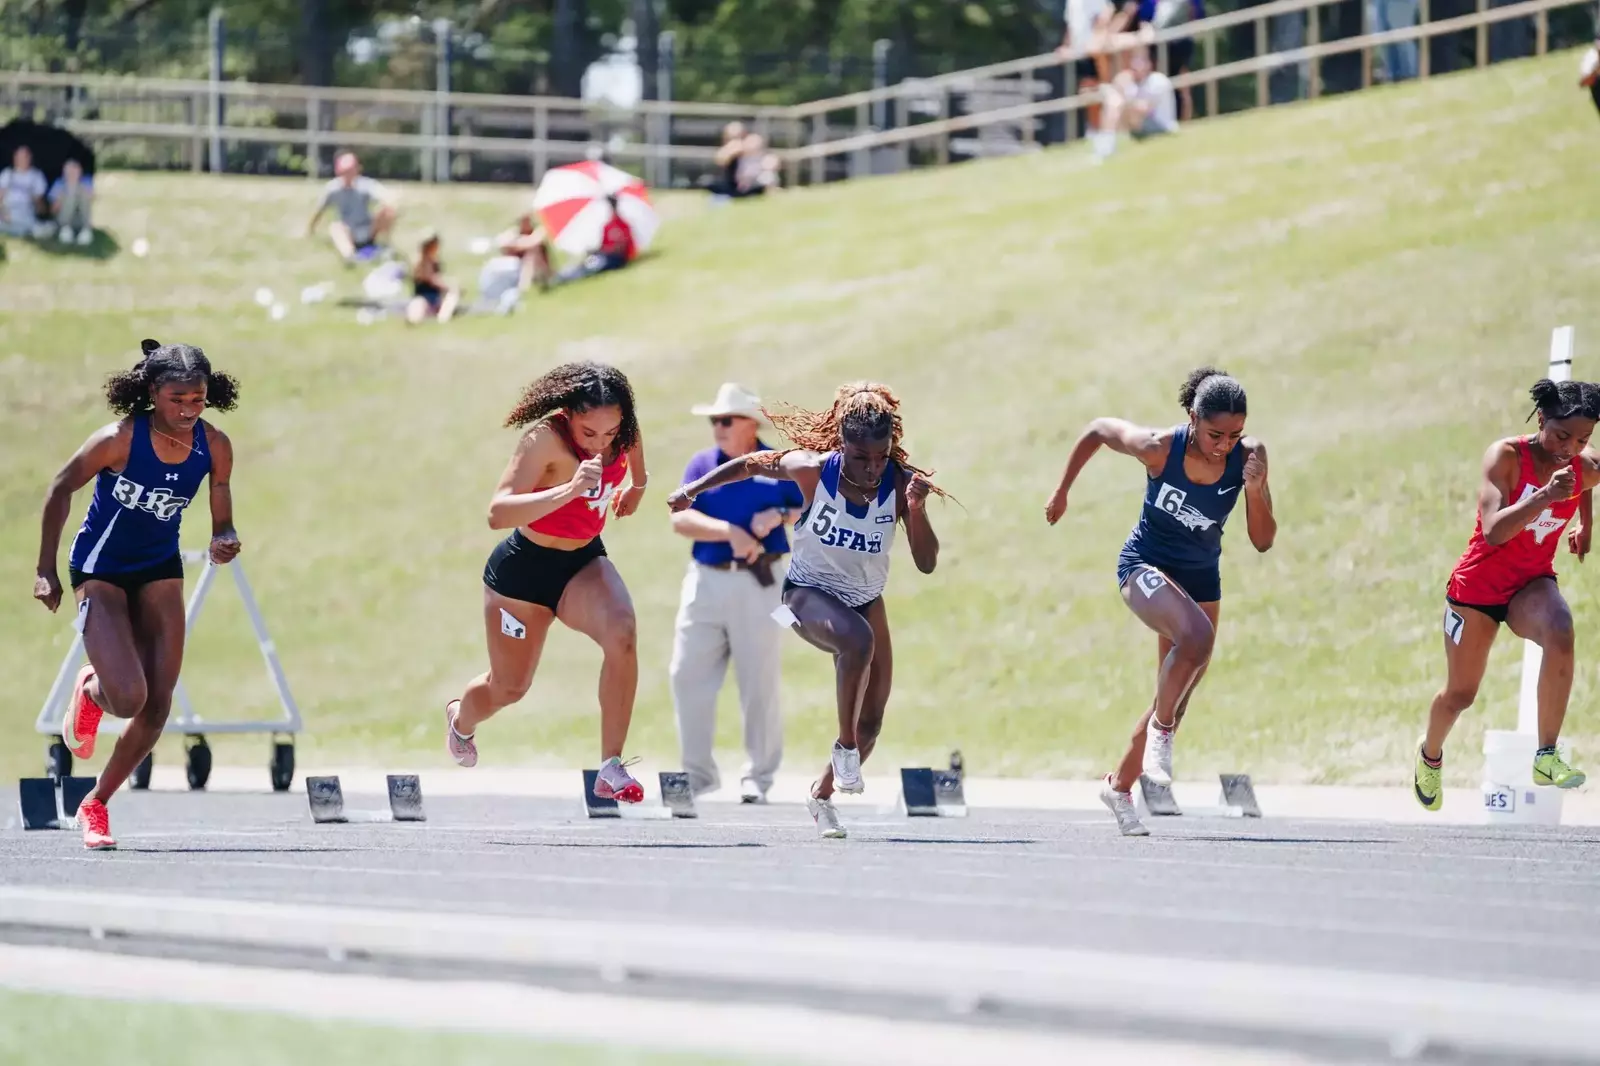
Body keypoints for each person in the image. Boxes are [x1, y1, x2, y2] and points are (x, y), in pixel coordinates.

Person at [668, 384, 943, 839]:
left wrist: (915, 509)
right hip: (803, 595)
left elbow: (927, 562)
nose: (872, 468)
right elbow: (749, 465)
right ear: (841, 445)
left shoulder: (898, 482)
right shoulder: (812, 469)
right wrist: (692, 490)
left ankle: (822, 794)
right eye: (860, 458)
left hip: (864, 598)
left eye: (880, 456)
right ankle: (846, 749)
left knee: (872, 720)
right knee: (859, 642)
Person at [1045, 367, 1275, 837]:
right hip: (1144, 567)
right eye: (1215, 434)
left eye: (1234, 434)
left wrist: (1254, 489)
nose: (1224, 445)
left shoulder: (1250, 457)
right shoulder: (1159, 448)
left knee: (1174, 693)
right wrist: (1062, 490)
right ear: (1192, 418)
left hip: (1201, 579)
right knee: (1195, 640)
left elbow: (1263, 539)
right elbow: (1098, 430)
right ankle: (1162, 735)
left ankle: (1118, 786)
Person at [32, 340, 242, 851]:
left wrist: (223, 534)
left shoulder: (214, 444)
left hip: (159, 567)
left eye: (198, 398)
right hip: (100, 568)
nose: (189, 410)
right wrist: (45, 570)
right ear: (153, 393)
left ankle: (96, 803)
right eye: (177, 399)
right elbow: (61, 488)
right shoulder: (119, 439)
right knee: (127, 697)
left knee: (158, 704)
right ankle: (91, 691)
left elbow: (219, 493)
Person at [446, 361, 649, 805]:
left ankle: (610, 767)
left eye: (609, 433)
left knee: (623, 634)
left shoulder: (622, 430)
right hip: (523, 571)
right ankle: (461, 719)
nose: (600, 443)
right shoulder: (544, 440)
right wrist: (569, 490)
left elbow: (633, 452)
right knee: (510, 687)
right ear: (567, 414)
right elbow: (498, 513)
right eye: (588, 433)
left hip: (582, 562)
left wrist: (639, 484)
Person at [1414, 380, 1600, 810]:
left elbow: (1586, 478)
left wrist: (1585, 525)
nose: (1568, 449)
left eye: (1582, 440)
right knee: (1460, 695)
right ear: (1540, 420)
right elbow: (1495, 531)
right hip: (1476, 589)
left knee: (1561, 629)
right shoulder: (1507, 457)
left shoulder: (1579, 463)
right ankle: (1430, 754)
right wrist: (1545, 497)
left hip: (1530, 582)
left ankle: (1546, 754)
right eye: (1560, 436)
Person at [669, 383, 806, 803]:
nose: (718, 427)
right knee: (685, 673)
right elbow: (681, 518)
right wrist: (730, 532)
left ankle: (758, 777)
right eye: (715, 420)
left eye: (726, 420)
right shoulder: (702, 464)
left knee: (758, 682)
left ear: (749, 425)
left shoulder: (779, 466)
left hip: (759, 583)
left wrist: (780, 513)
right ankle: (698, 774)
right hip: (706, 579)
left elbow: (812, 507)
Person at [307, 152, 397, 265]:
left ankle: (385, 246)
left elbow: (384, 196)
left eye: (351, 171)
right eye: (345, 172)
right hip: (348, 231)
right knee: (335, 227)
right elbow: (319, 210)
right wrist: (310, 230)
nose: (348, 175)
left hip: (368, 229)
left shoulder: (366, 185)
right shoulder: (332, 189)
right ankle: (350, 256)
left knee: (388, 211)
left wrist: (388, 202)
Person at [1093, 48, 1180, 161]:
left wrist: (1122, 95)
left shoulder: (1158, 81)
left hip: (1161, 127)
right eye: (1134, 59)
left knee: (1118, 103)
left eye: (1140, 60)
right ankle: (1106, 145)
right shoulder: (1134, 83)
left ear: (1149, 63)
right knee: (1112, 101)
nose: (1135, 64)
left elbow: (1144, 108)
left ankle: (1106, 145)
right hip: (1140, 128)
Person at [552, 197, 635, 287]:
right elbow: (604, 245)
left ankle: (563, 279)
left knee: (590, 267)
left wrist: (607, 250)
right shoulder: (607, 226)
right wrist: (596, 251)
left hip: (616, 258)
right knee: (585, 262)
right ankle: (561, 276)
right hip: (605, 255)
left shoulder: (623, 225)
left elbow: (622, 247)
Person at [406, 232, 460, 325]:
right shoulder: (421, 261)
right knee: (417, 312)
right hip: (424, 296)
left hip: (435, 297)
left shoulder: (433, 260)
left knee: (451, 296)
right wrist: (448, 286)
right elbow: (429, 278)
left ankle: (442, 318)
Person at [0, 144, 49, 239]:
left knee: (21, 220)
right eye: (18, 156)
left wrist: (39, 206)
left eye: (24, 156)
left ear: (30, 158)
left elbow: (39, 205)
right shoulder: (7, 174)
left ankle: (27, 228)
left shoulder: (37, 176)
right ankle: (29, 230)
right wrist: (3, 212)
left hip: (26, 211)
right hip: (7, 210)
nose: (21, 159)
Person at [49, 157, 94, 246]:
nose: (72, 173)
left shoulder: (86, 182)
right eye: (69, 170)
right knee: (69, 191)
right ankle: (66, 229)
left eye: (75, 170)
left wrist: (77, 187)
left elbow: (92, 199)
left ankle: (85, 231)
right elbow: (52, 210)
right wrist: (61, 197)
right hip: (63, 220)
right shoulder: (59, 184)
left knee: (79, 190)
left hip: (81, 219)